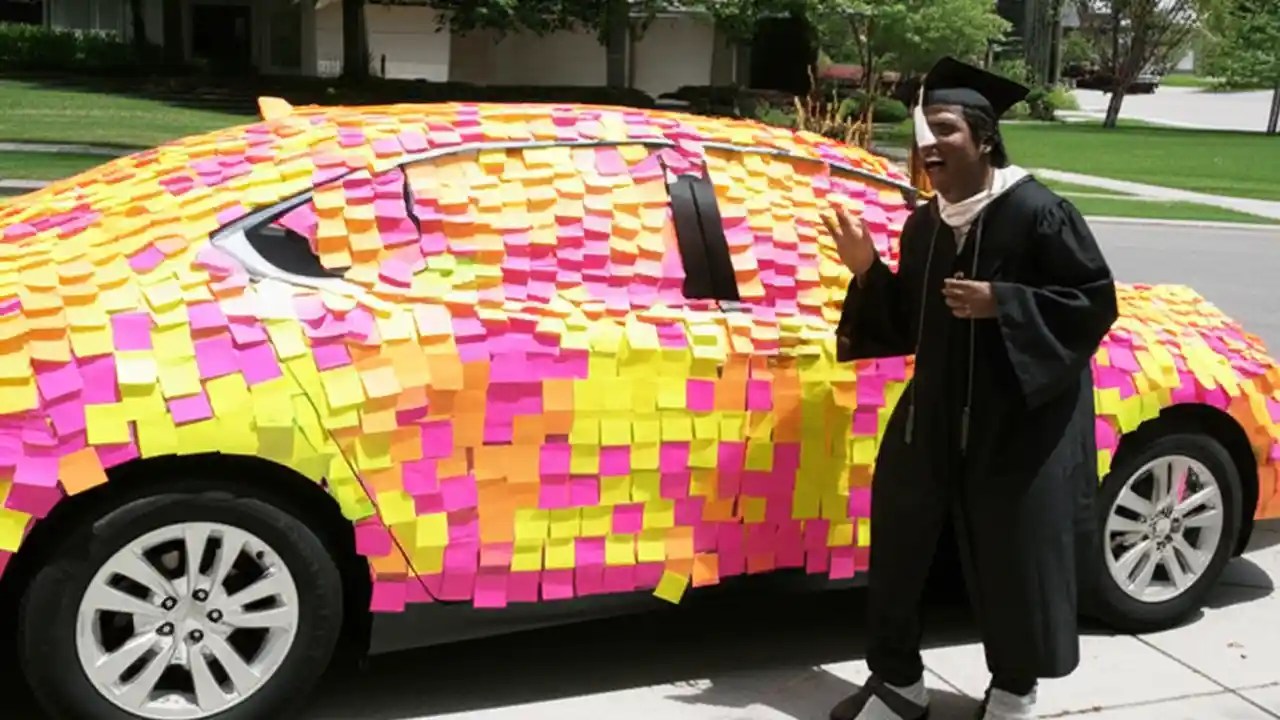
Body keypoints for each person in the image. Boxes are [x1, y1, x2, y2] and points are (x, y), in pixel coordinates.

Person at [823, 57, 1120, 720]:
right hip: (932, 411)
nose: (928, 144)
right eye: (922, 130)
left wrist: (1006, 303)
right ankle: (899, 681)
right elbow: (911, 320)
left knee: (1013, 558)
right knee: (901, 541)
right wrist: (870, 271)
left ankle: (1014, 687)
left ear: (984, 138)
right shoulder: (926, 223)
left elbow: (1092, 302)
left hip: (1018, 418)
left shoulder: (1040, 213)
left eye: (945, 129)